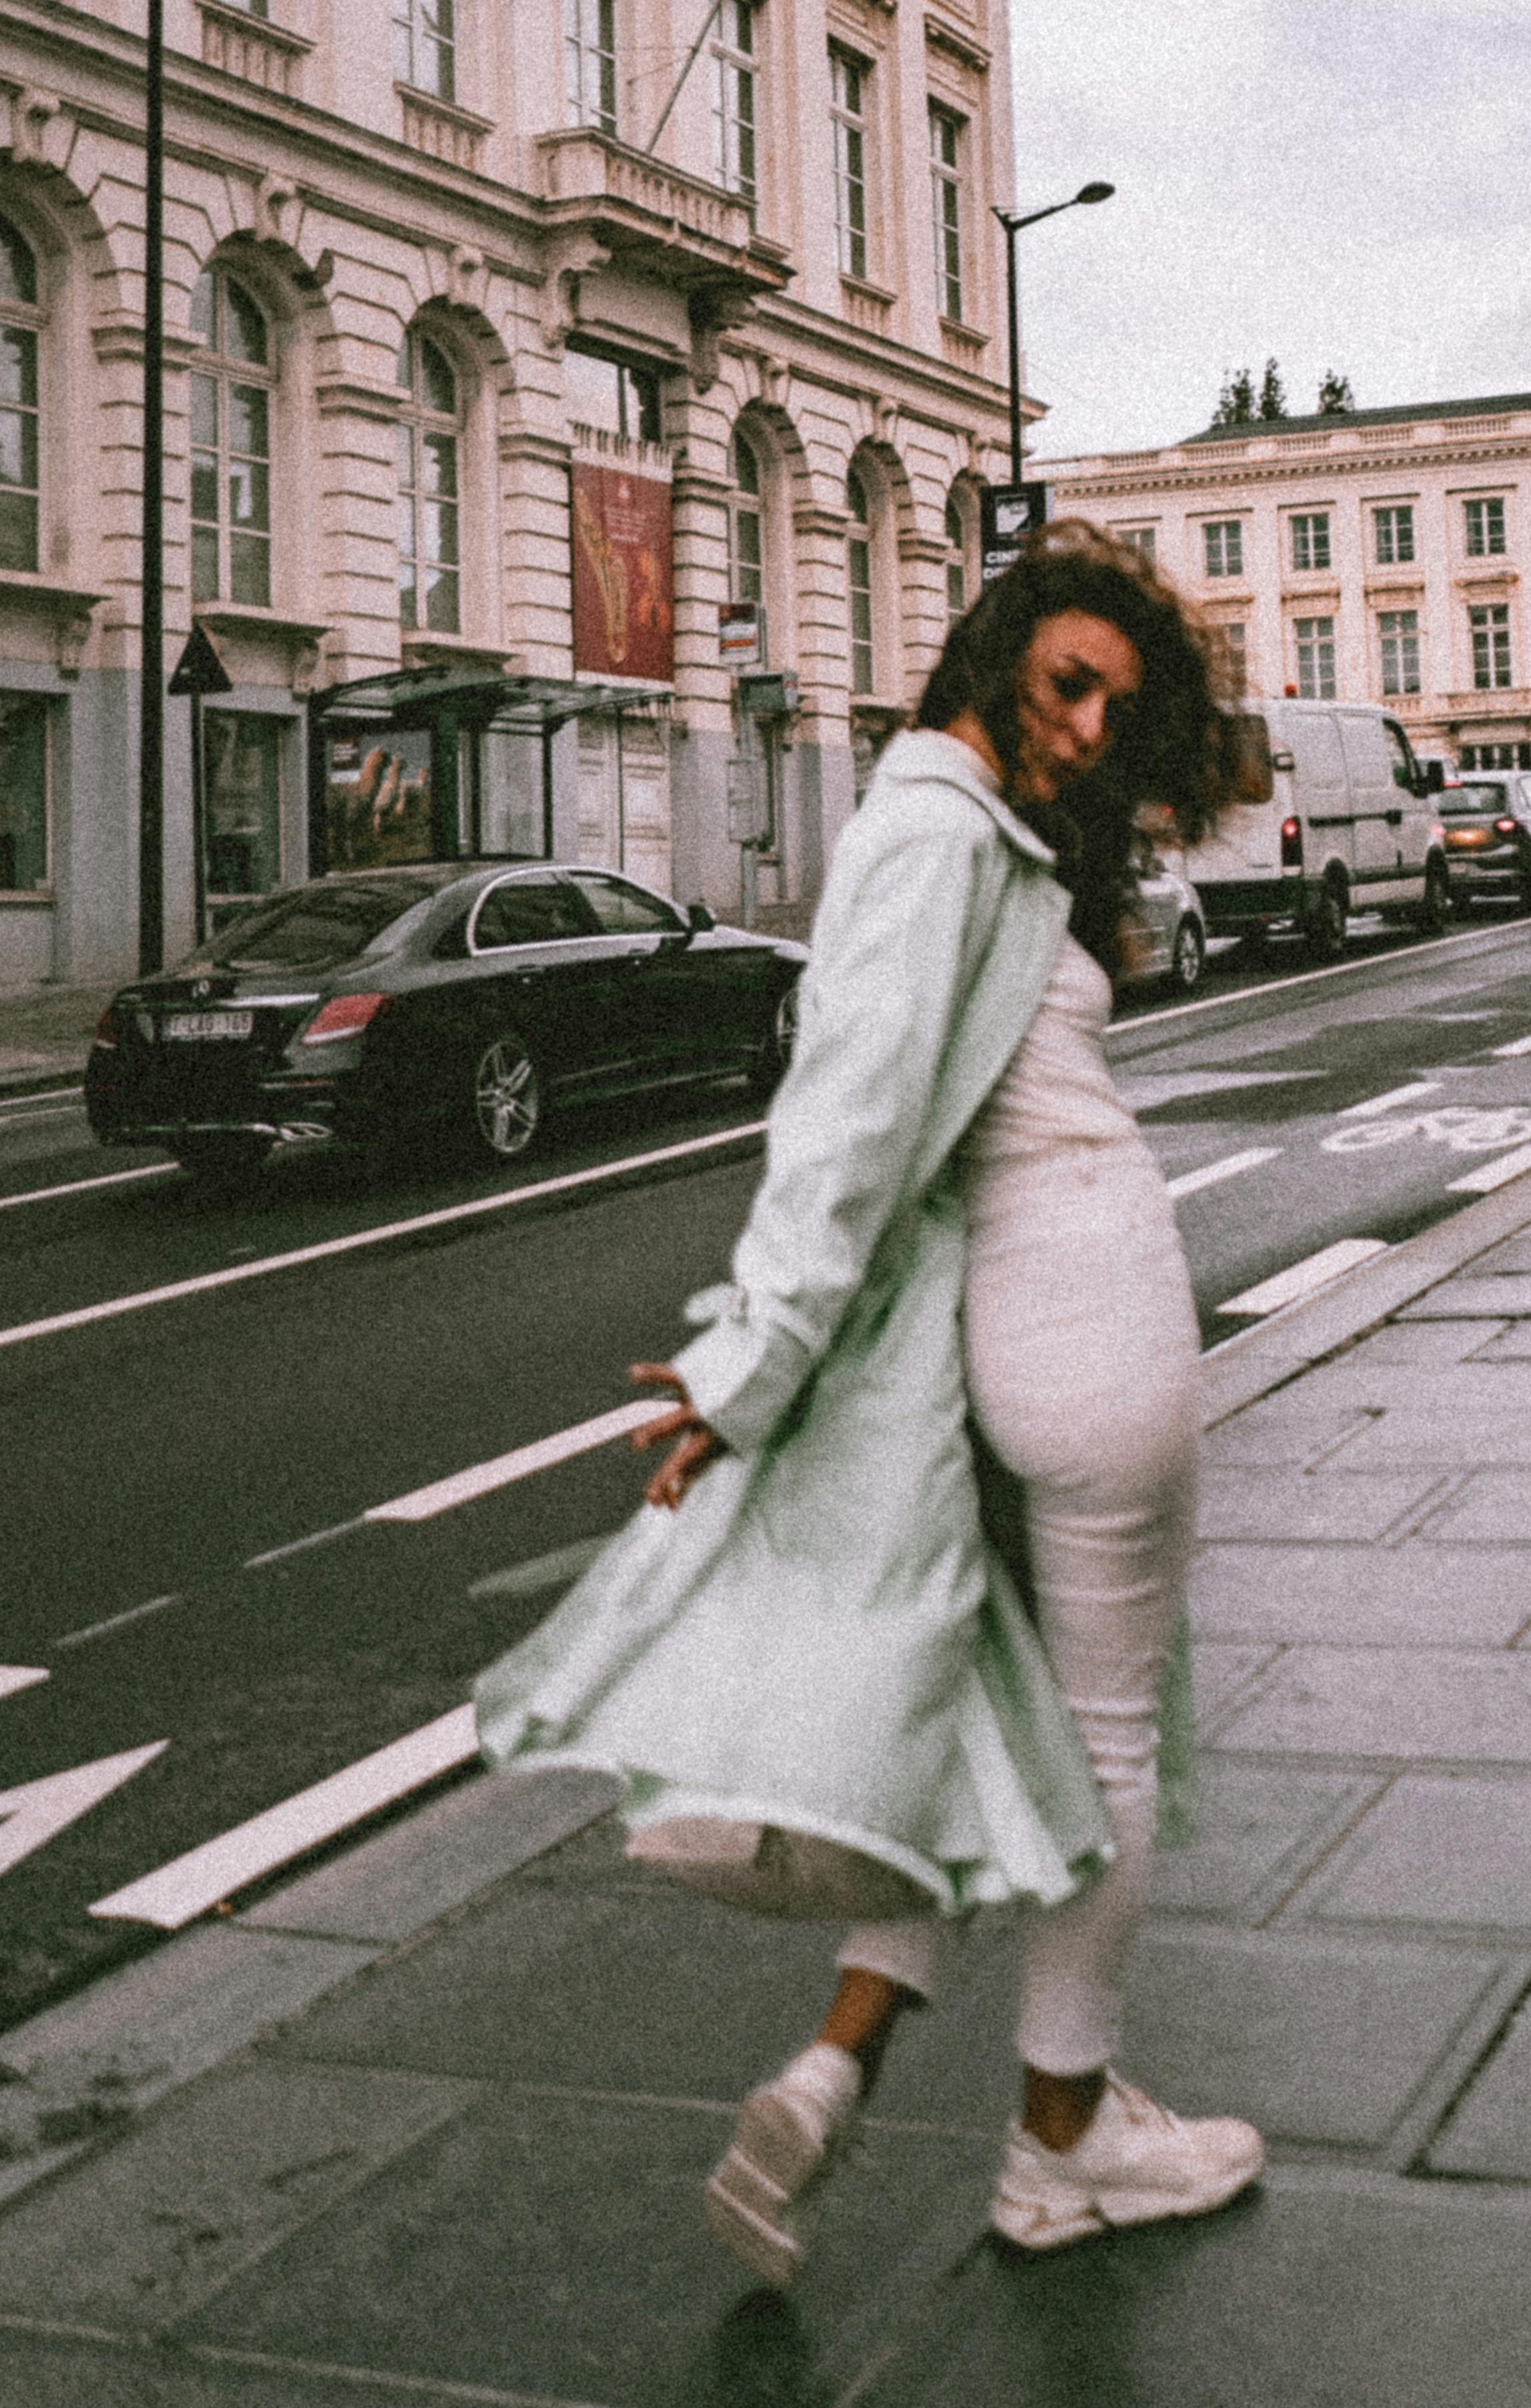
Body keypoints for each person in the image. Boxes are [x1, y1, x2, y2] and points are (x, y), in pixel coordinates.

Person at [475, 525, 1261, 2283]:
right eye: (1068, 683)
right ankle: (1065, 2145)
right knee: (1108, 1744)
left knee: (1000, 1730)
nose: (1087, 728)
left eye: (1116, 709)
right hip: (1091, 1324)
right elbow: (844, 1125)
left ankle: (837, 2071)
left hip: (1011, 1326)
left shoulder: (963, 821)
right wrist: (750, 1360)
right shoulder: (934, 830)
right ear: (992, 657)